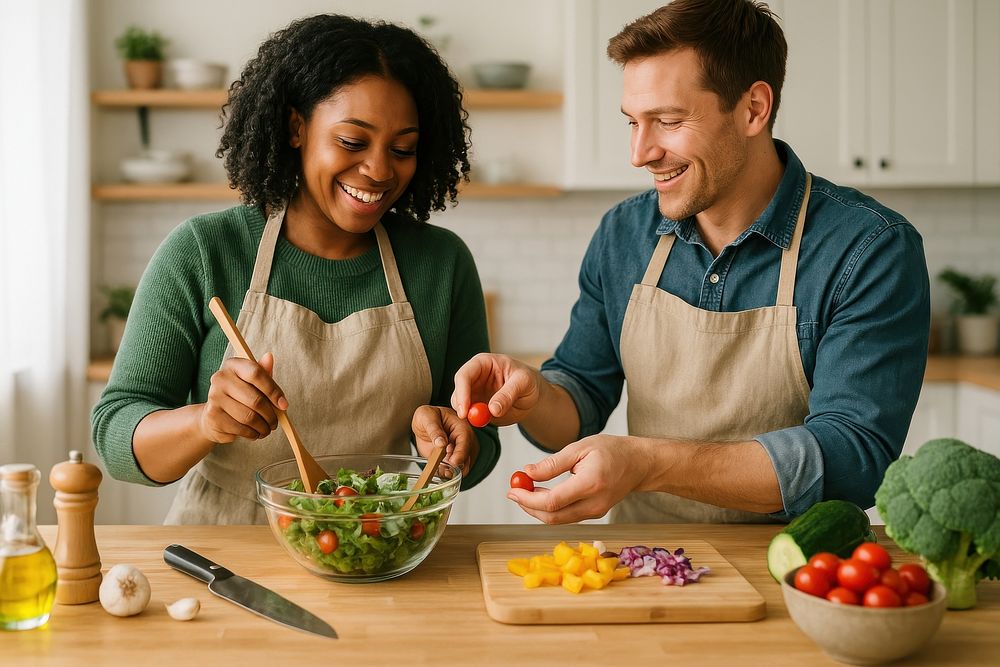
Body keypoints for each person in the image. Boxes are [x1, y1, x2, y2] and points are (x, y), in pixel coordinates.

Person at [451, 0, 929, 524]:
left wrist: (647, 463)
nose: (640, 152)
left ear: (753, 109)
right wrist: (534, 394)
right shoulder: (623, 234)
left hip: (796, 574)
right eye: (633, 122)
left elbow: (853, 458)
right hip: (640, 566)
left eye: (669, 121)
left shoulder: (868, 247)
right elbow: (581, 397)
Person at [92, 14, 499, 524]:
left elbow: (480, 441)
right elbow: (115, 436)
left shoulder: (441, 263)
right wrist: (206, 422)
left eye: (403, 149)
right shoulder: (204, 251)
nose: (379, 170)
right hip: (223, 553)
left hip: (380, 546)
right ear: (295, 128)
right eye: (353, 142)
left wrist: (452, 445)